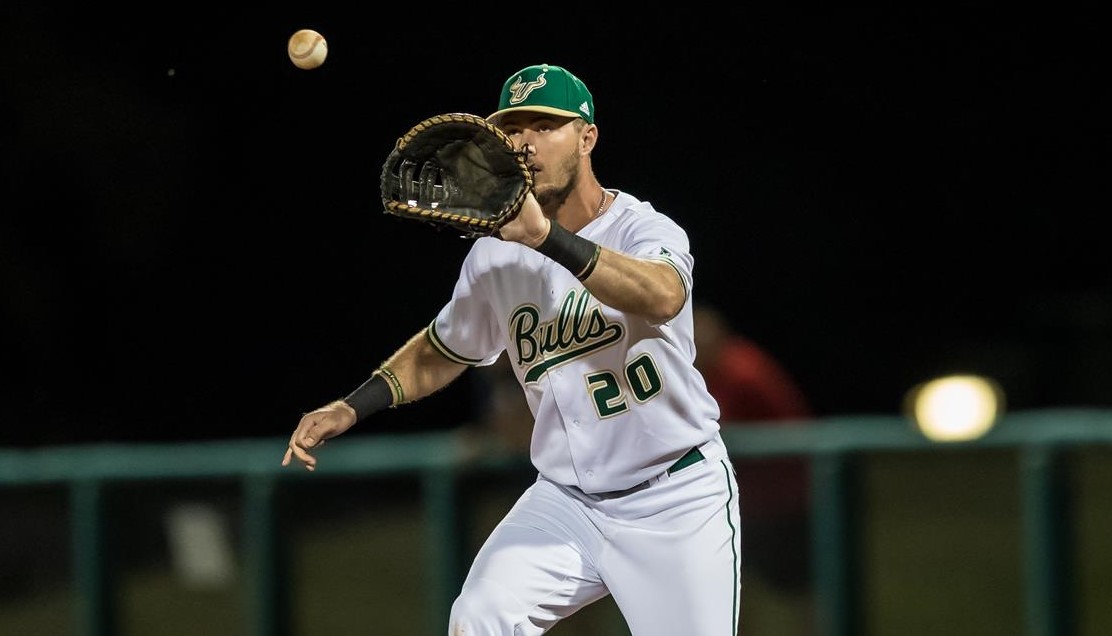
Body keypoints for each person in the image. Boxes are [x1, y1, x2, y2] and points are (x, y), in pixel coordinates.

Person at [282, 63, 743, 635]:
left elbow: (663, 295)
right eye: (514, 128)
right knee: (478, 619)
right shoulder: (493, 254)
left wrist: (544, 238)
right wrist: (353, 405)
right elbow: (446, 346)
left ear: (587, 137)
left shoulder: (642, 228)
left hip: (674, 497)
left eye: (544, 125)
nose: (525, 142)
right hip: (567, 502)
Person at [692, 303, 815, 635]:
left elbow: (715, 432)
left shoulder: (741, 369)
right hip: (751, 504)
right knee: (731, 588)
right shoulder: (711, 373)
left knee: (805, 595)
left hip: (786, 501)